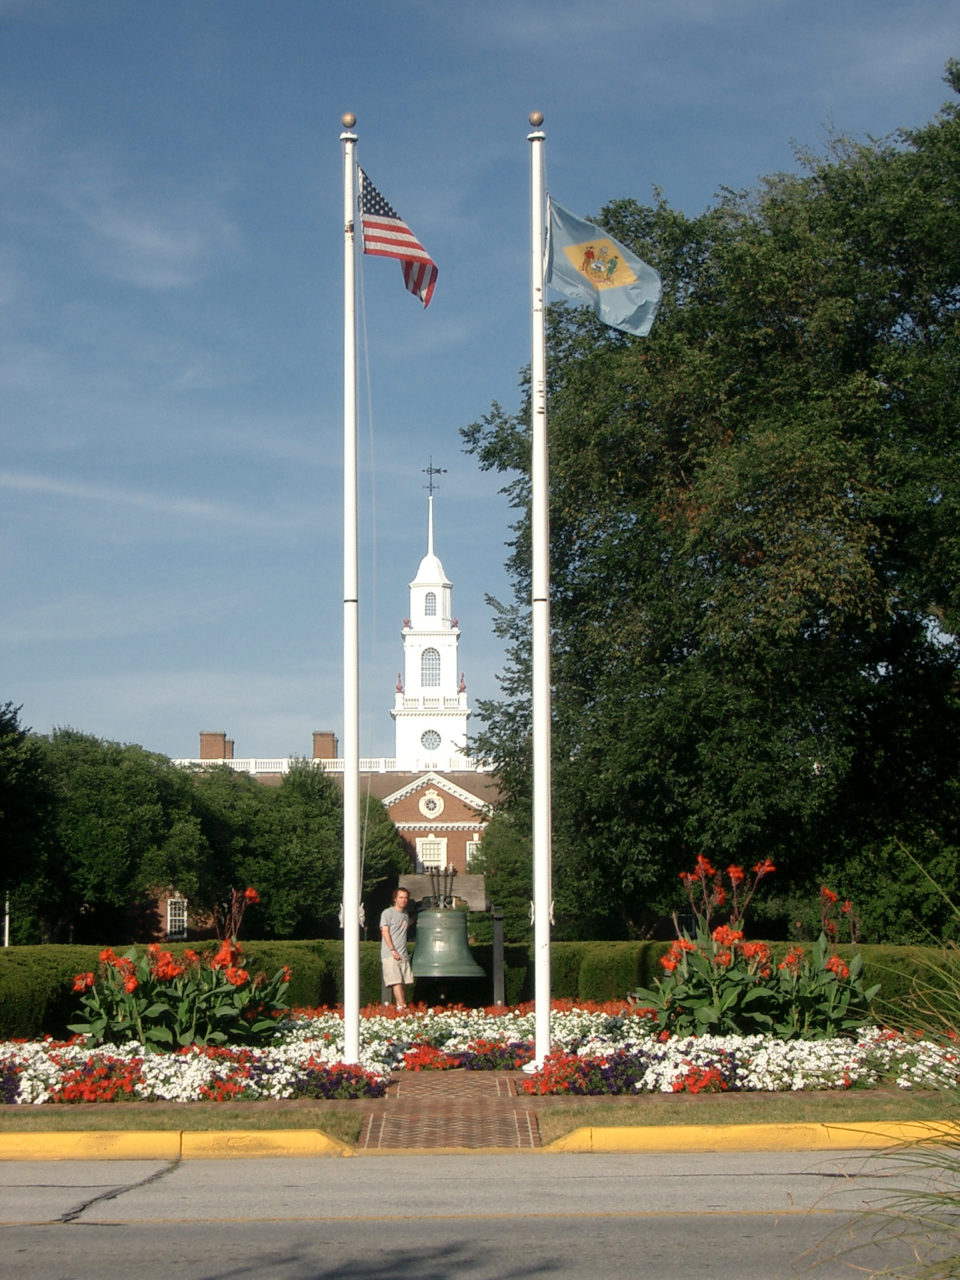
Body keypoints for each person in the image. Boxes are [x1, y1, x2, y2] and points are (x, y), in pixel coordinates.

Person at [380, 886, 412, 1009]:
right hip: (390, 954)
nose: (403, 900)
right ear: (395, 899)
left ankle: (400, 1008)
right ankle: (403, 1008)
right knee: (396, 982)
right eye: (400, 897)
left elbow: (406, 925)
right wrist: (392, 950)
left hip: (403, 954)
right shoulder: (387, 913)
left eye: (405, 898)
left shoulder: (405, 914)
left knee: (402, 983)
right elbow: (385, 931)